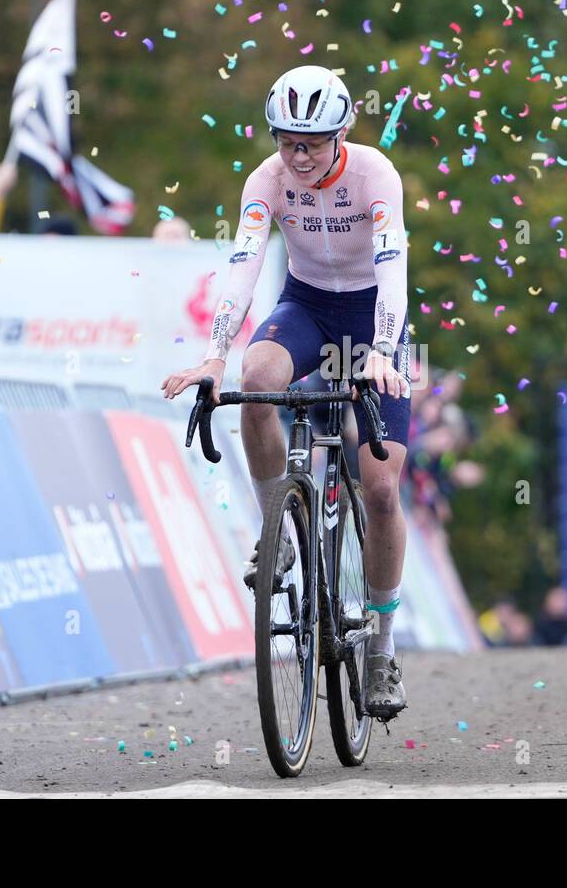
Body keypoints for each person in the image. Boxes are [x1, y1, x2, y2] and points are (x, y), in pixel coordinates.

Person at [161, 65, 412, 719]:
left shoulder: (376, 175)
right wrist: (214, 355)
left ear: (342, 133)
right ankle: (282, 529)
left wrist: (383, 355)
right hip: (305, 306)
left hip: (370, 320)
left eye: (314, 143)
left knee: (382, 488)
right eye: (287, 142)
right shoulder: (265, 181)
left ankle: (381, 651)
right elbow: (245, 263)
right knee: (256, 380)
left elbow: (392, 267)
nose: (299, 157)